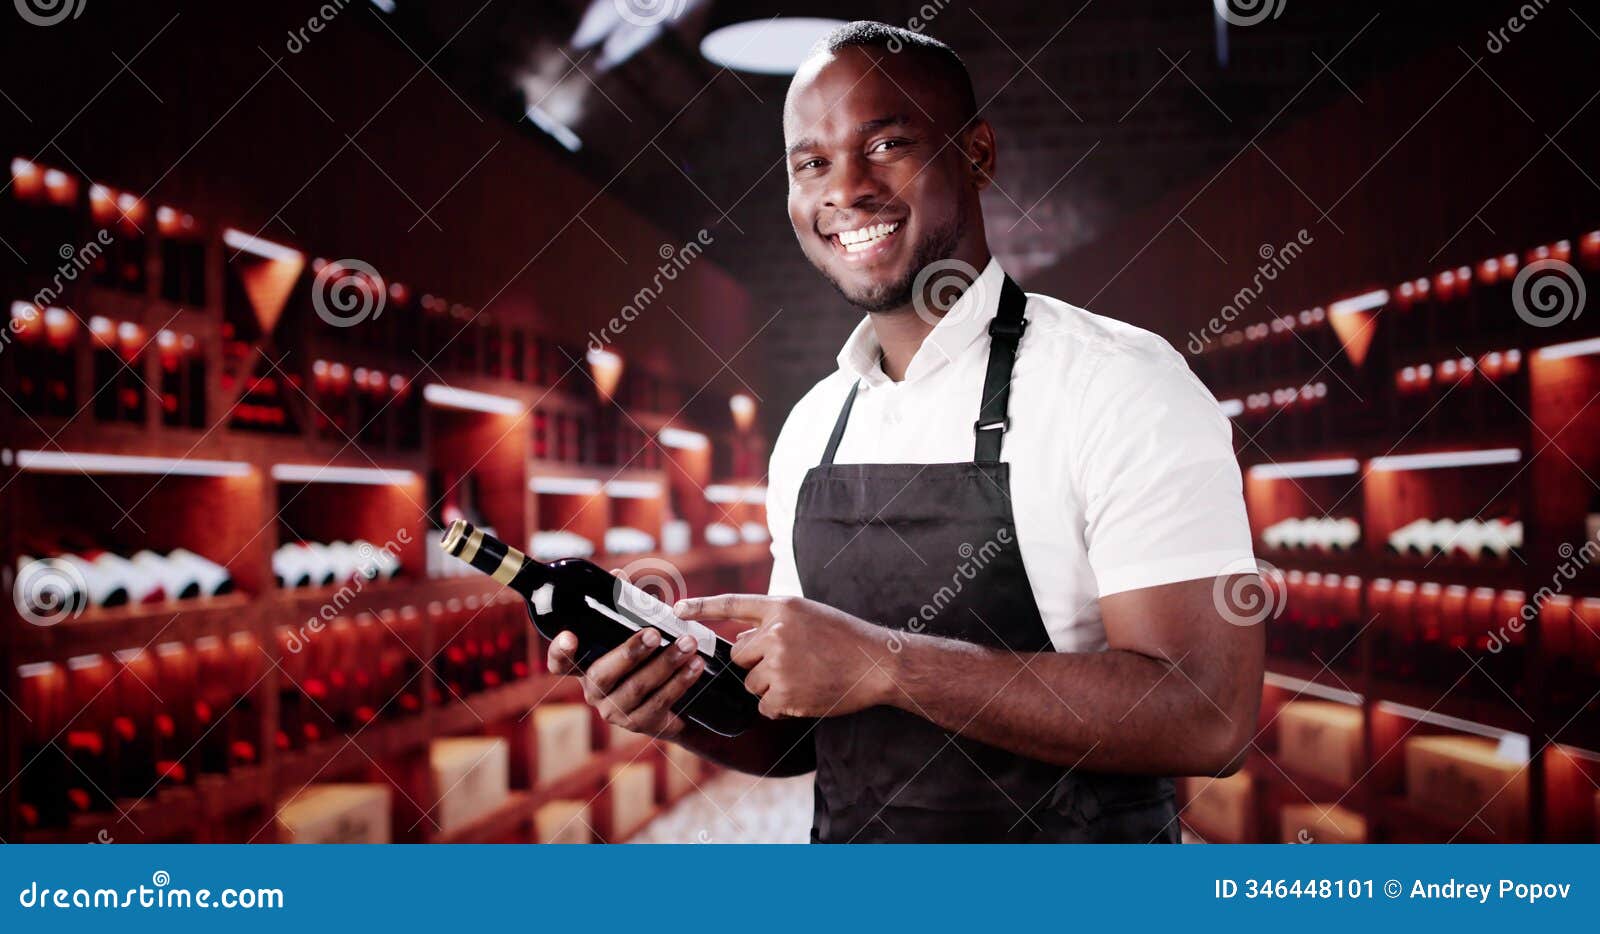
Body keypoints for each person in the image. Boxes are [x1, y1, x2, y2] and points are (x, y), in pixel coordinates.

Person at [548, 20, 1264, 843]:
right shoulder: (813, 428)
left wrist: (887, 664)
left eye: (887, 145)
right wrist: (675, 706)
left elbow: (1207, 717)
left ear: (978, 154)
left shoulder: (1121, 384)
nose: (846, 190)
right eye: (812, 163)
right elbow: (801, 738)